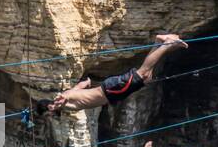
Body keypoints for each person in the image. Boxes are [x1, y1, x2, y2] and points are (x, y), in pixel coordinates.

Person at [39, 34, 187, 116]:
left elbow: (64, 99)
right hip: (111, 90)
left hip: (111, 91)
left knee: (142, 74)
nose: (50, 118)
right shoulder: (67, 95)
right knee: (147, 78)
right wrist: (87, 82)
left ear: (50, 108)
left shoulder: (63, 103)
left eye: (48, 115)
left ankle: (167, 43)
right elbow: (79, 87)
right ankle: (158, 42)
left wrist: (60, 101)